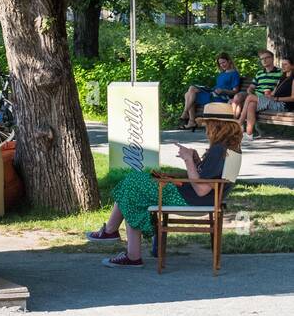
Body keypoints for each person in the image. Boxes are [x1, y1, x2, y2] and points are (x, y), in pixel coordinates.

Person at [88, 102, 241, 267]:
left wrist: (188, 160)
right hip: (200, 198)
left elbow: (202, 190)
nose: (205, 129)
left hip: (193, 199)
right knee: (133, 183)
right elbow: (209, 180)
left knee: (132, 184)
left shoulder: (219, 150)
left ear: (216, 126)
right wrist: (197, 161)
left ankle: (118, 239)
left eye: (207, 124)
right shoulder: (230, 149)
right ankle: (121, 242)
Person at [235, 53, 294, 141]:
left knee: (250, 97)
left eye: (285, 64)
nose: (283, 66)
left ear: (292, 66)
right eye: (282, 64)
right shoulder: (283, 77)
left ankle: (240, 121)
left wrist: (276, 98)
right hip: (274, 101)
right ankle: (249, 134)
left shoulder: (293, 79)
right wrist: (269, 95)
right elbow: (274, 93)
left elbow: (293, 98)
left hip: (283, 105)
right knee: (251, 104)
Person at [178, 53, 240, 129]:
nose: (222, 65)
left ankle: (188, 117)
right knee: (189, 93)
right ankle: (190, 121)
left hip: (221, 98)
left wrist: (223, 91)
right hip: (212, 93)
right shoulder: (222, 73)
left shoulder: (234, 74)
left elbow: (235, 91)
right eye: (220, 63)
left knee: (190, 93)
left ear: (229, 61)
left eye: (223, 62)